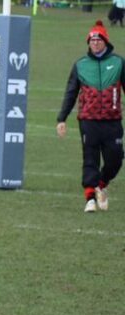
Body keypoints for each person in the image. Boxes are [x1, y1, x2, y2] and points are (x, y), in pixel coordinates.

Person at [56, 21, 125, 213]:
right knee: (90, 159)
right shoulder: (80, 65)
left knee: (116, 159)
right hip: (89, 120)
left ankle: (101, 185)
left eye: (98, 39)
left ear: (105, 41)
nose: (94, 43)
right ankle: (89, 199)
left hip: (113, 121)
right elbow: (71, 93)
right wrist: (62, 119)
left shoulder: (119, 63)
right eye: (92, 40)